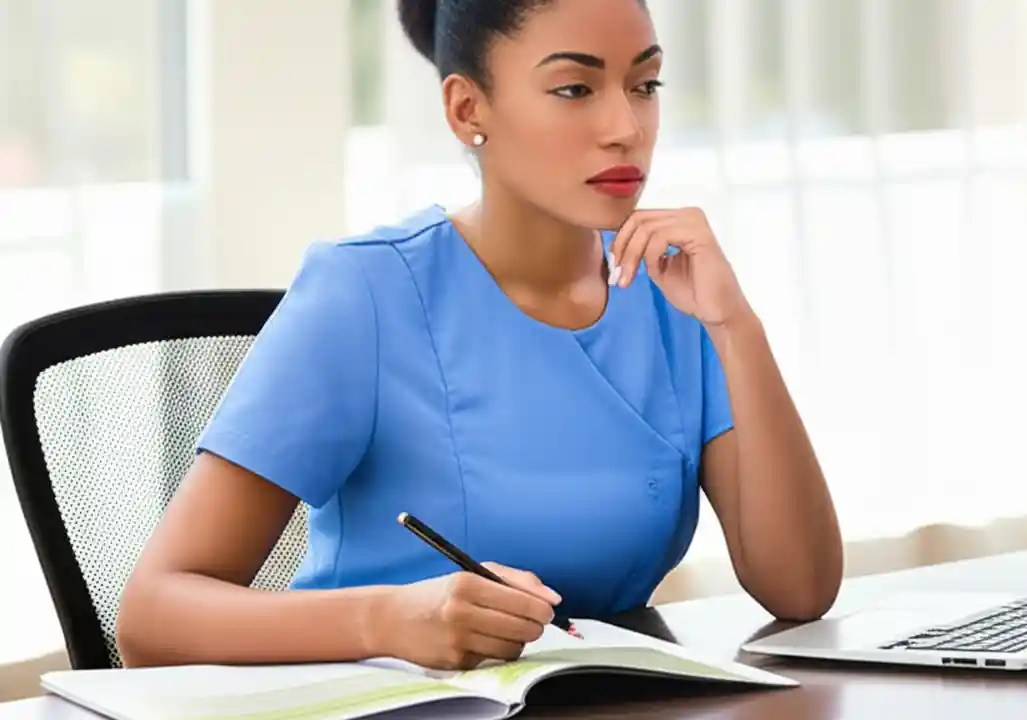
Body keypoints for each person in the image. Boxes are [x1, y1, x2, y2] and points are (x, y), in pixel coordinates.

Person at [116, 0, 842, 671]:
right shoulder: (365, 294)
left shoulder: (669, 291)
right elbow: (151, 617)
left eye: (645, 85)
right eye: (574, 89)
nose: (626, 126)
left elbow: (799, 589)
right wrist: (387, 619)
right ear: (467, 109)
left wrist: (735, 324)